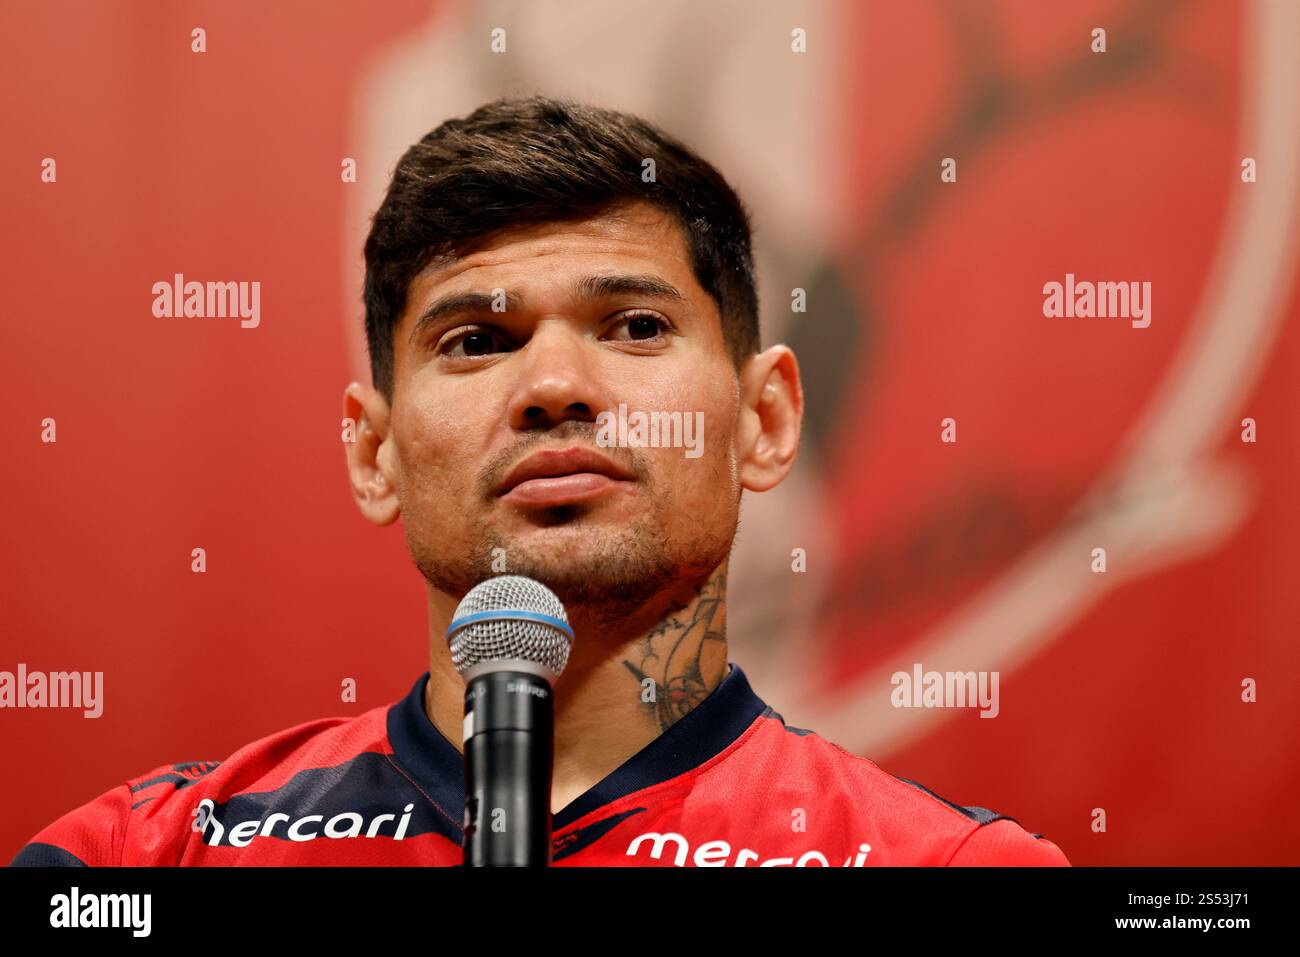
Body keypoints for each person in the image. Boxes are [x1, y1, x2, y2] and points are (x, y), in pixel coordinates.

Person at [12, 96, 1067, 866]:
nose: (556, 385)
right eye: (476, 340)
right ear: (373, 452)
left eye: (636, 326)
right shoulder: (129, 866)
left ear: (765, 419)